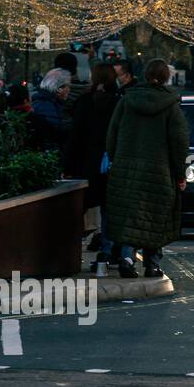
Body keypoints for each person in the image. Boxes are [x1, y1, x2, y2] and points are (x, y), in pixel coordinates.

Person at [104, 60, 189, 279]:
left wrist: (117, 159)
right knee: (155, 218)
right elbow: (179, 142)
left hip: (126, 168)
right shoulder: (170, 105)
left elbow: (112, 134)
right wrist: (180, 173)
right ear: (166, 77)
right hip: (159, 171)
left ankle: (127, 258)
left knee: (129, 216)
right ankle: (152, 265)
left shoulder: (127, 100)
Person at [68, 64, 121, 271]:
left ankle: (70, 252)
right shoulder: (118, 102)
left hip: (86, 163)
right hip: (110, 163)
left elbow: (75, 136)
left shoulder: (84, 102)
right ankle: (108, 250)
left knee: (78, 207)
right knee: (109, 210)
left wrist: (69, 165)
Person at [29, 68, 73, 154]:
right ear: (59, 88)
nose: (70, 90)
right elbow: (55, 133)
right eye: (68, 86)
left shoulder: (48, 102)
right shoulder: (48, 106)